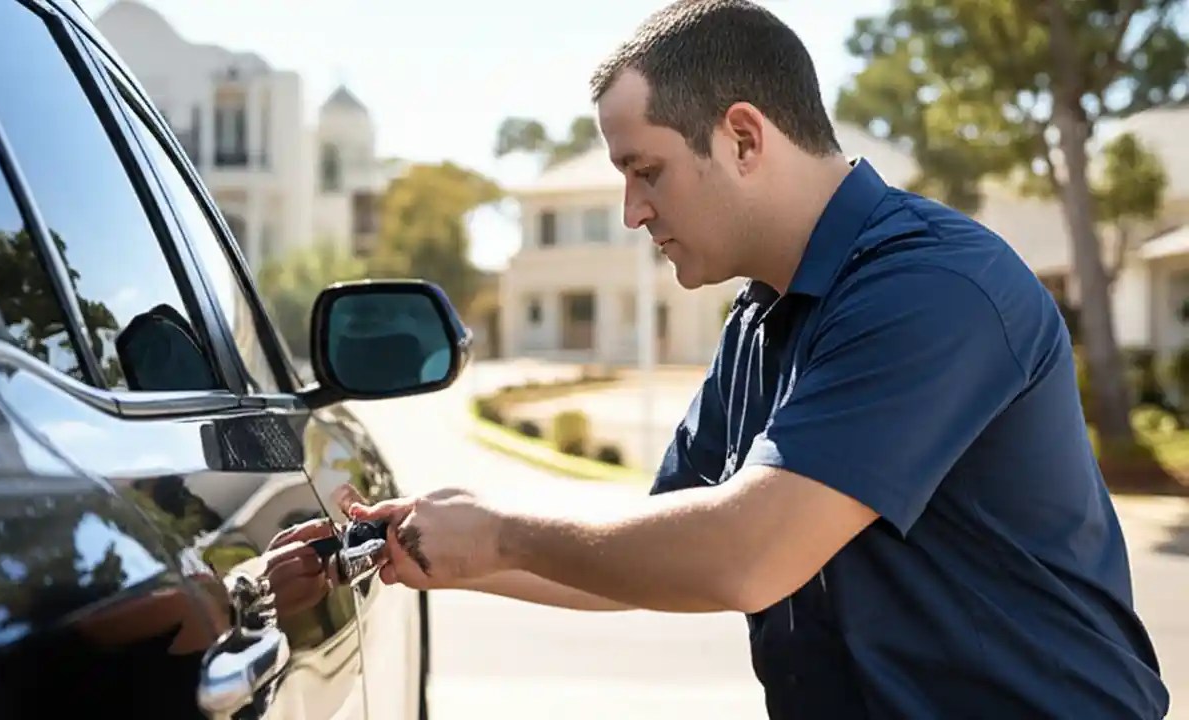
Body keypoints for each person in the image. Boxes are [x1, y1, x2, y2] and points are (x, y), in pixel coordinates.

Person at [348, 1, 1171, 717]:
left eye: (647, 172)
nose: (633, 213)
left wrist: (498, 534)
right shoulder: (758, 323)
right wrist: (425, 548)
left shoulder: (933, 286)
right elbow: (648, 550)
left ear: (743, 138)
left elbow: (747, 554)